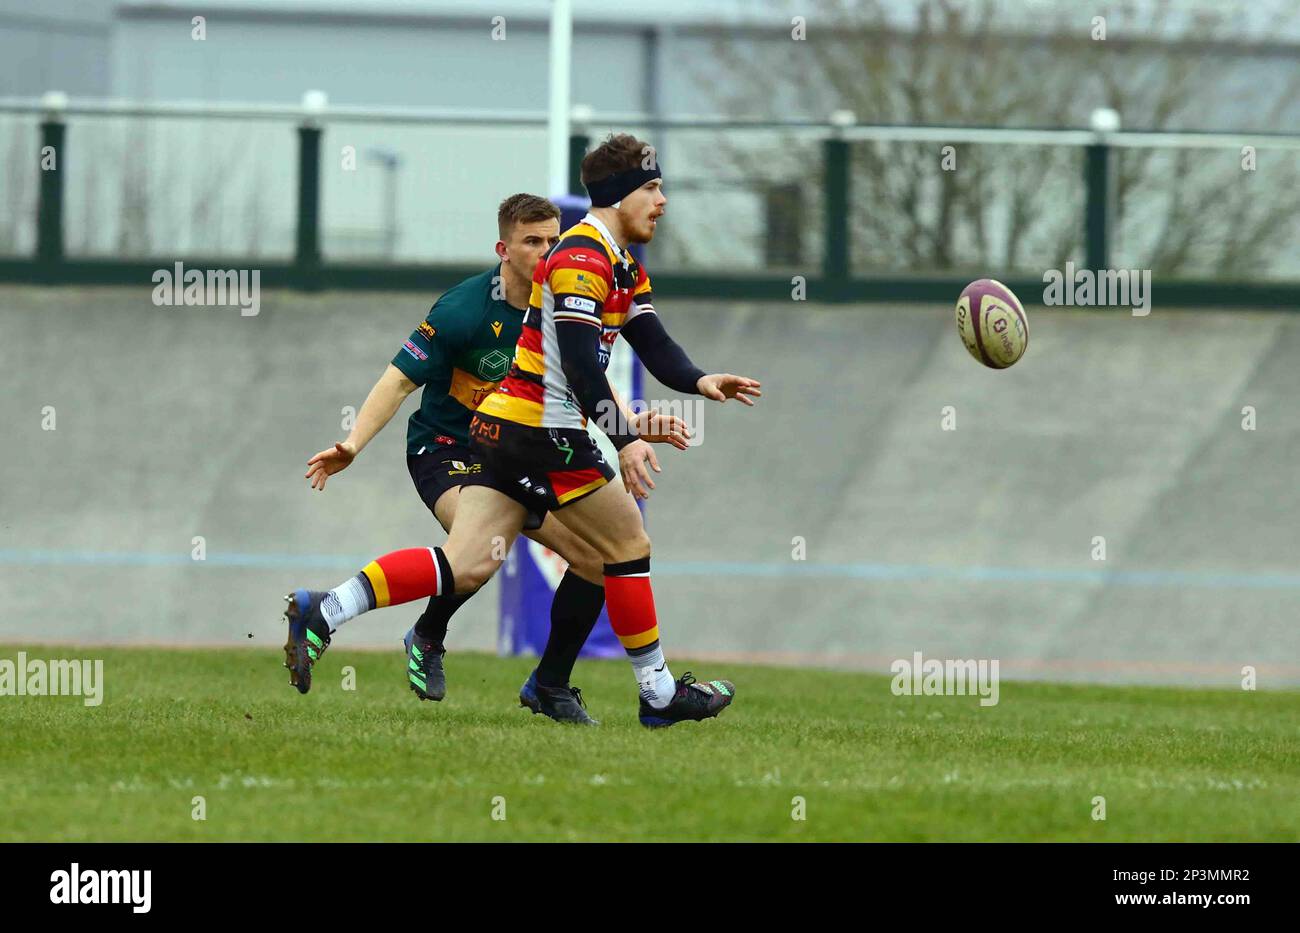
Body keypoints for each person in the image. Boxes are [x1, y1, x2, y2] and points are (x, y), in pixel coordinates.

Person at [287, 134, 760, 727]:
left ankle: (327, 611)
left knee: (494, 561)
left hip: (506, 431)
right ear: (619, 195)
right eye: (653, 187)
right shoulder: (577, 262)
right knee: (628, 545)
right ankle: (657, 694)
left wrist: (697, 381)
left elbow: (650, 344)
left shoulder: (616, 261)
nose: (663, 200)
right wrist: (625, 436)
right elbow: (583, 368)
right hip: (530, 434)